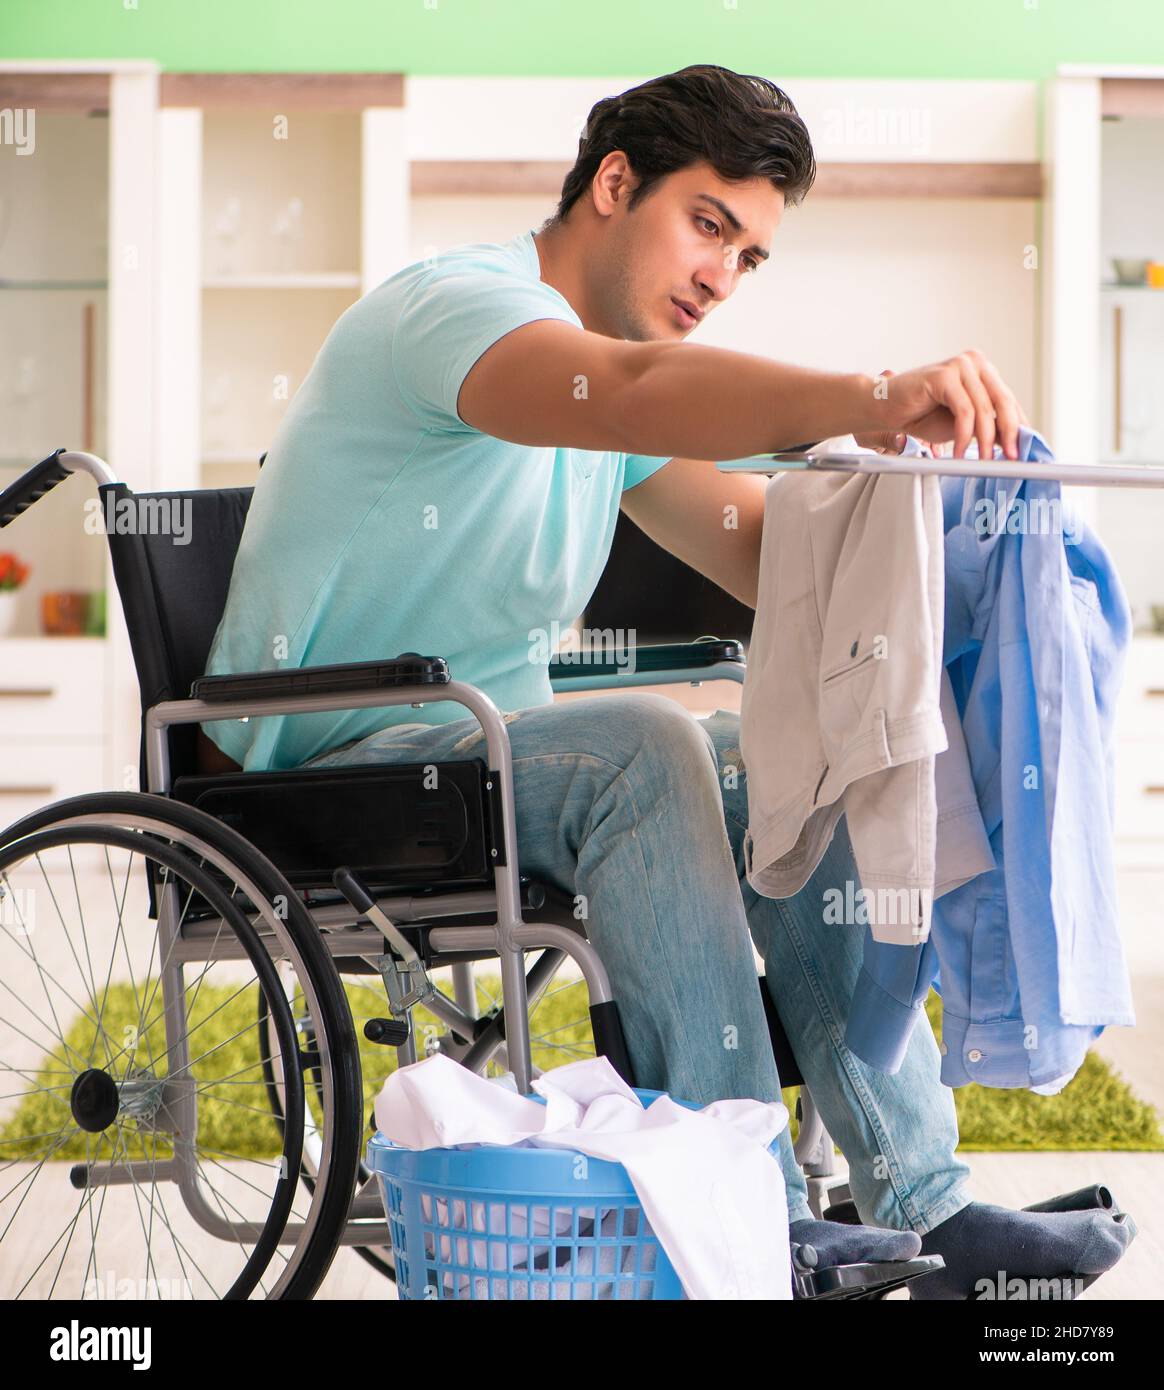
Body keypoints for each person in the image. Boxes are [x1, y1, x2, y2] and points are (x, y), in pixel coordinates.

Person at [199, 64, 1134, 1298]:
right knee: (650, 742)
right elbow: (632, 390)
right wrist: (877, 390)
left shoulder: (611, 393)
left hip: (482, 759)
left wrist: (956, 544)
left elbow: (774, 560)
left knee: (774, 749)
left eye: (748, 257)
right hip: (324, 767)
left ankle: (927, 1199)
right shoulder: (460, 311)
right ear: (614, 182)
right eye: (708, 224)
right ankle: (741, 1198)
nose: (720, 276)